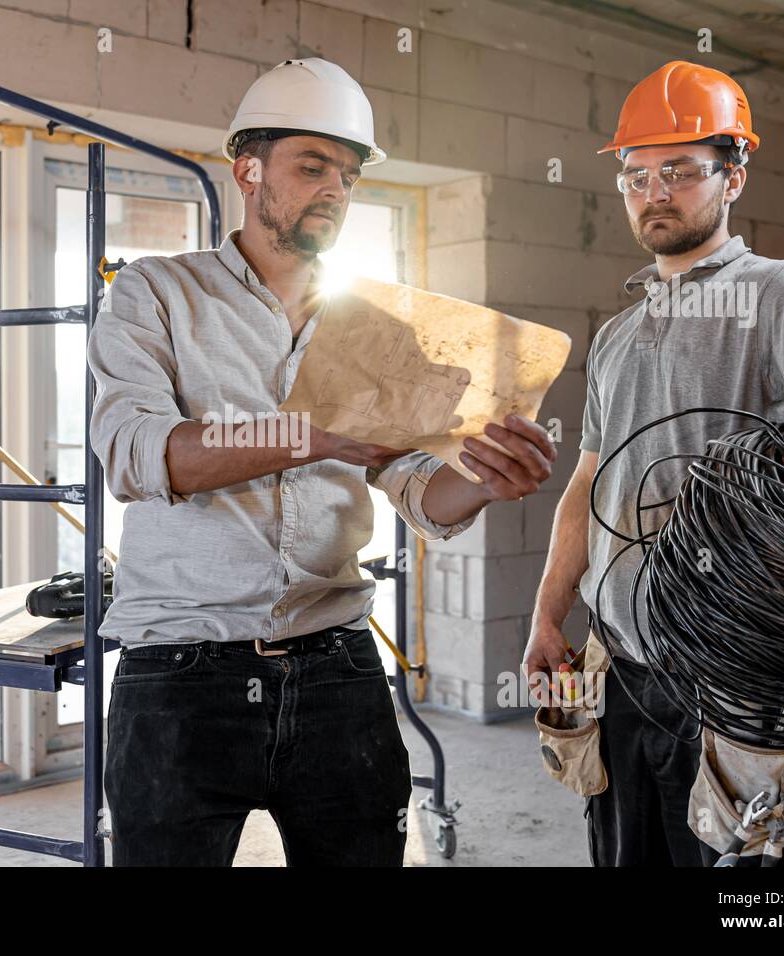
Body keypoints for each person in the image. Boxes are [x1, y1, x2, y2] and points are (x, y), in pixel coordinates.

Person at [89, 57, 557, 866]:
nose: (334, 190)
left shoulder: (377, 329)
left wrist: (482, 479)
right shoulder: (156, 296)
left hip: (336, 664)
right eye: (312, 166)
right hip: (180, 674)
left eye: (347, 174)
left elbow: (418, 491)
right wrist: (318, 434)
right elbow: (140, 458)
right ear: (249, 169)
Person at [524, 60, 784, 866]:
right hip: (621, 670)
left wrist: (735, 580)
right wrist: (551, 615)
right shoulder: (618, 337)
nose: (655, 192)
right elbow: (590, 483)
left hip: (735, 688)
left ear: (733, 176)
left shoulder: (780, 290)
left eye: (682, 170)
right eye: (637, 174)